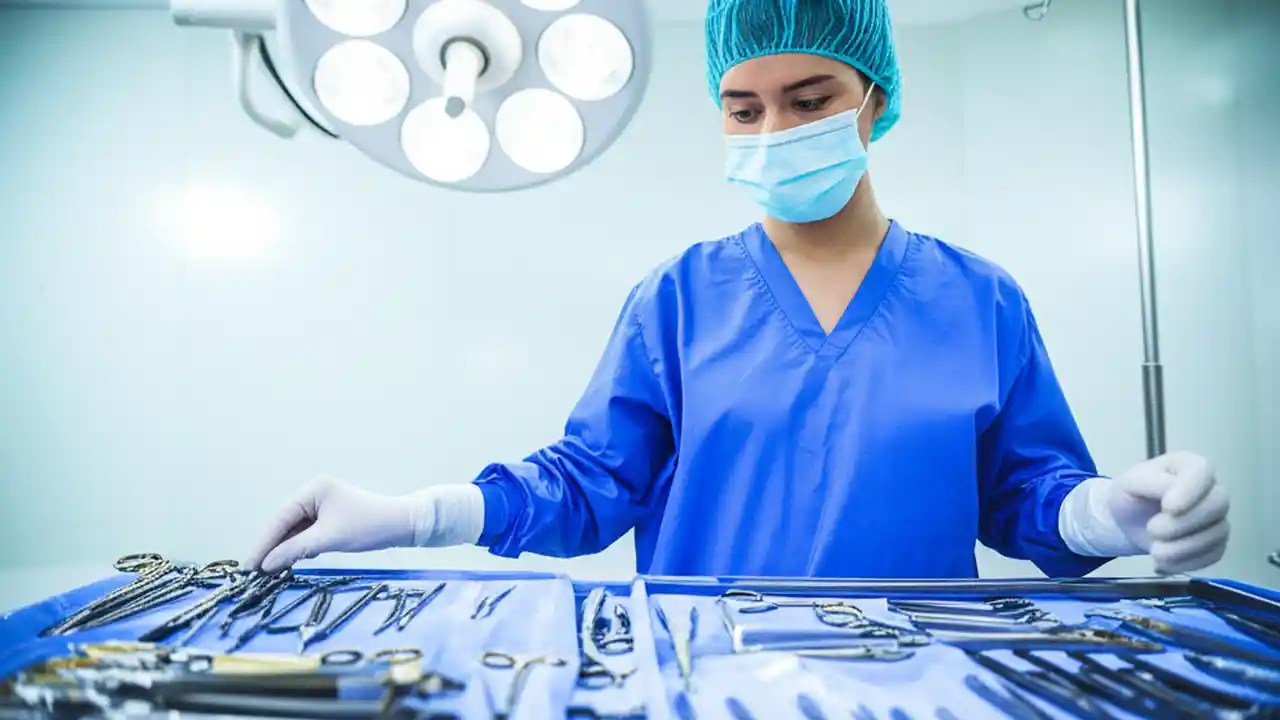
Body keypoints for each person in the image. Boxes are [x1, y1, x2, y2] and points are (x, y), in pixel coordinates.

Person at [247, 0, 1230, 579]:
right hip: (699, 684)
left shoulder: (979, 301)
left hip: (927, 687)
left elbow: (1023, 501)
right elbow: (588, 484)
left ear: (872, 101)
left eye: (809, 102)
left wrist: (1109, 517)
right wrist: (412, 515)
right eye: (742, 106)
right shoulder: (678, 298)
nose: (773, 130)